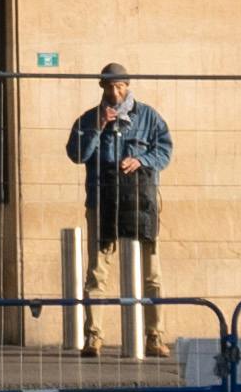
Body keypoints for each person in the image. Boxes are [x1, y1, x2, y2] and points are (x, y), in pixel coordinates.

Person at [67, 65, 171, 358]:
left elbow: (165, 150)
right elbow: (76, 154)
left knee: (151, 273)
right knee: (97, 273)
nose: (114, 94)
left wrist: (141, 159)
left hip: (140, 200)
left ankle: (154, 336)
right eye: (109, 88)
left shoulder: (149, 117)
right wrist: (97, 127)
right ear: (102, 88)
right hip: (102, 202)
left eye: (120, 87)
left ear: (128, 86)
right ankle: (94, 337)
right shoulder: (89, 118)